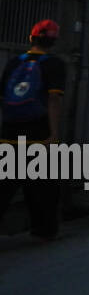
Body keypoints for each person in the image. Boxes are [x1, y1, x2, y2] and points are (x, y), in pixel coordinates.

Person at [0, 20, 68, 241]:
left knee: (4, 186)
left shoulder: (14, 63)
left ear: (31, 38)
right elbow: (54, 99)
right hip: (39, 136)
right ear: (53, 41)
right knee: (43, 187)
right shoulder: (55, 64)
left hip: (9, 135)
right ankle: (44, 230)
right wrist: (54, 134)